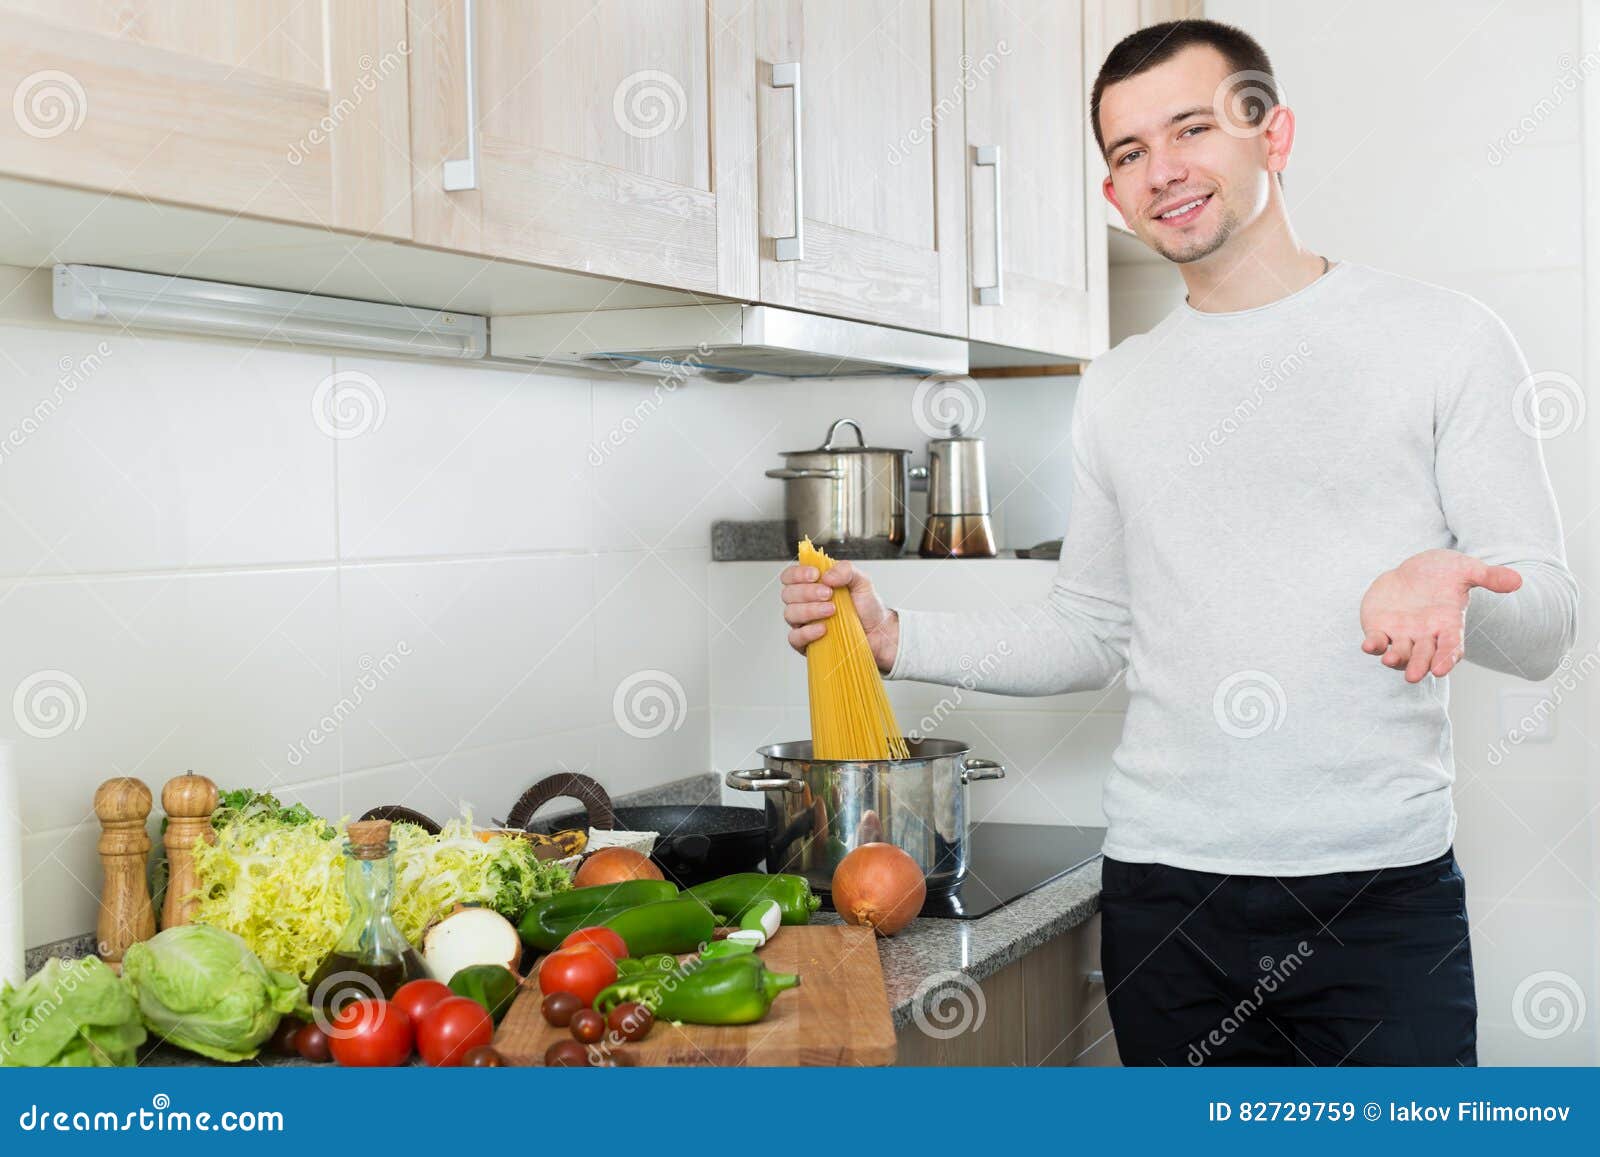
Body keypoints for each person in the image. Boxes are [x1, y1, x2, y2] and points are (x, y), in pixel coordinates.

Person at [778, 18, 1577, 1066]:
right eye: (1126, 153)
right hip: (1165, 901)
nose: (1162, 171)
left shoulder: (1441, 338)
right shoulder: (1116, 388)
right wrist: (893, 636)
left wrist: (1455, 587)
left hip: (1377, 902)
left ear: (1272, 134)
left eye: (1189, 128)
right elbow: (1090, 631)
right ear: (1111, 196)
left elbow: (1547, 628)